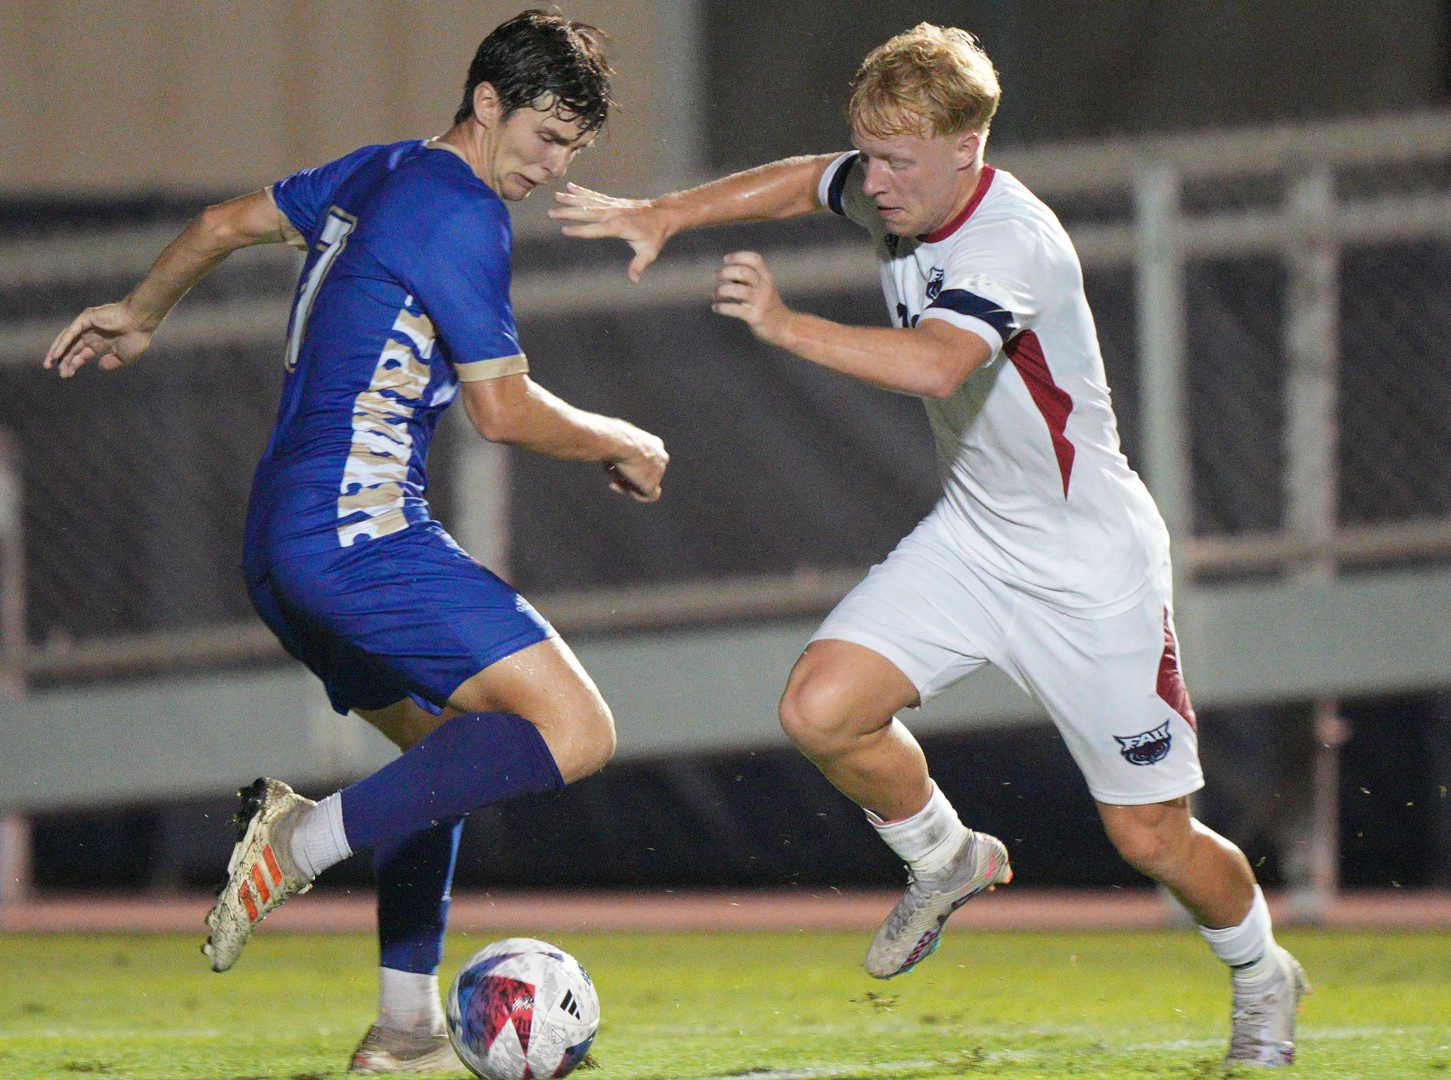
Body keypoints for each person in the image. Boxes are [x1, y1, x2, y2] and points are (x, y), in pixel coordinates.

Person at [553, 22, 1307, 1069]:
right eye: (872, 152)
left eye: (901, 159)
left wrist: (782, 325)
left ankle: (1264, 973)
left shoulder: (1014, 241)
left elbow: (938, 366)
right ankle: (945, 856)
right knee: (820, 709)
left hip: (1089, 569)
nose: (879, 179)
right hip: (974, 535)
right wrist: (663, 212)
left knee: (1150, 839)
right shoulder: (895, 182)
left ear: (969, 149)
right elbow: (804, 180)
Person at [44, 11, 666, 1073]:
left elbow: (221, 222)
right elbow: (504, 413)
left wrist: (140, 312)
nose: (554, 166)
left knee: (444, 762)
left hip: (279, 548)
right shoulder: (461, 210)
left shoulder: (381, 171)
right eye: (545, 137)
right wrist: (627, 437)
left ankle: (406, 1026)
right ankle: (296, 845)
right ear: (486, 104)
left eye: (574, 149)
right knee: (578, 728)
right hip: (356, 536)